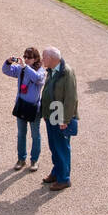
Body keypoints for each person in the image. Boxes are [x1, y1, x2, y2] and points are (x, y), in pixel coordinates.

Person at [39, 47, 78, 191]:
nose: (42, 60)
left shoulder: (66, 72)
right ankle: (56, 172)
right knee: (54, 146)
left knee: (62, 147)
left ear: (52, 58)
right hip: (52, 115)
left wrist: (65, 120)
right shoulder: (51, 70)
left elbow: (71, 98)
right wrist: (44, 112)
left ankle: (64, 179)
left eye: (44, 57)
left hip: (61, 117)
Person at [1, 47, 46, 172]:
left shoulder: (41, 71)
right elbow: (6, 70)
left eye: (29, 57)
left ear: (36, 59)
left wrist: (25, 68)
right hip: (21, 106)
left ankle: (34, 160)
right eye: (24, 57)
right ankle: (21, 159)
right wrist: (8, 62)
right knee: (21, 134)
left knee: (35, 135)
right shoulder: (21, 69)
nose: (25, 59)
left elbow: (37, 78)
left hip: (33, 109)